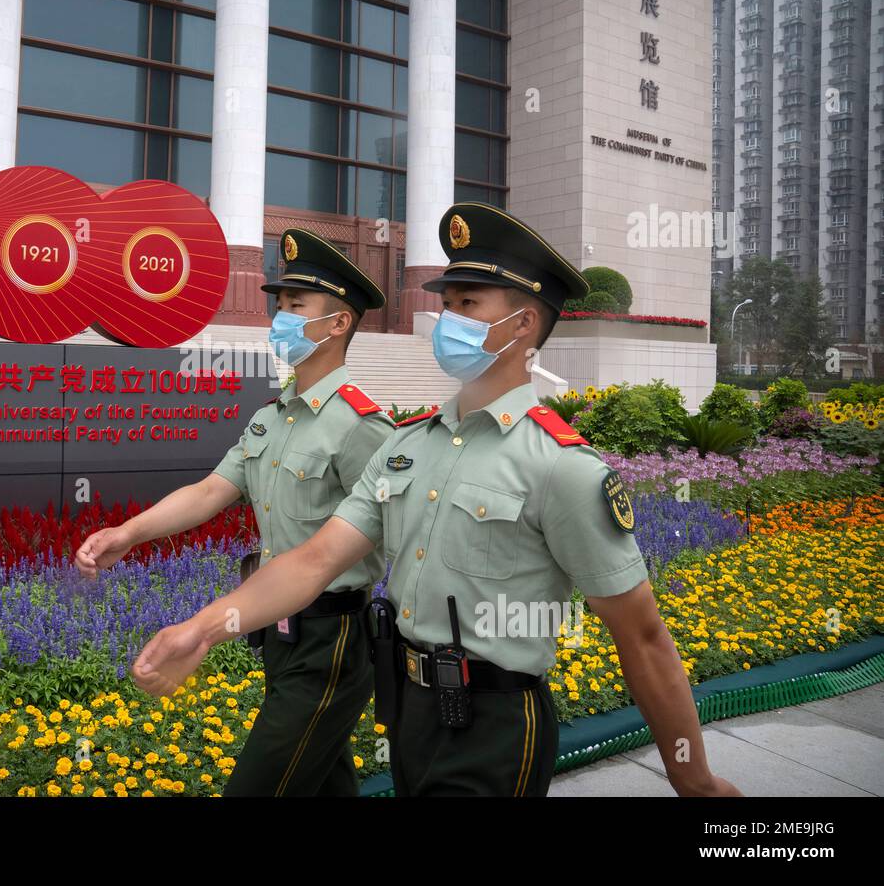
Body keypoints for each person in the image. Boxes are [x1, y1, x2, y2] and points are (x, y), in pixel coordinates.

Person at [131, 203, 741, 797]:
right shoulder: (407, 447)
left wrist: (694, 779)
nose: (447, 318)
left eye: (468, 304)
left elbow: (643, 637)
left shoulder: (561, 467)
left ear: (524, 324)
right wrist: (205, 628)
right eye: (446, 303)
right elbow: (315, 559)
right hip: (410, 712)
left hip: (496, 724)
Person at [76, 228, 394, 796]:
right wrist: (129, 533)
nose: (280, 317)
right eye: (280, 305)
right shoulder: (272, 417)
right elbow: (209, 491)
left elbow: (382, 535)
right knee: (322, 782)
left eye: (297, 306)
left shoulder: (362, 426)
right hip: (276, 630)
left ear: (338, 323)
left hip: (332, 638)